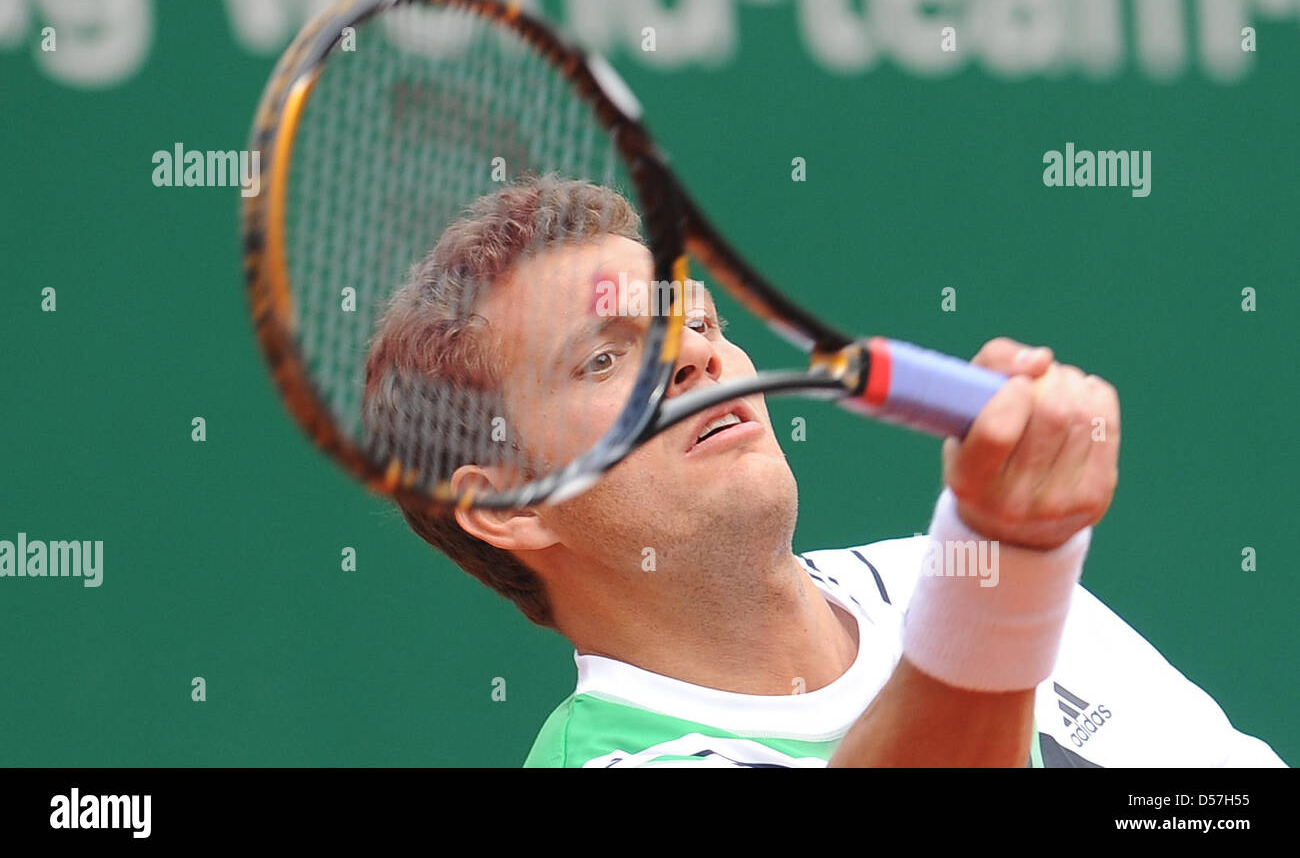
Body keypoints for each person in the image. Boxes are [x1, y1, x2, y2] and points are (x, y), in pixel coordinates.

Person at [363, 176, 1284, 767]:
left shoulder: (957, 581)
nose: (693, 353)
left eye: (699, 320)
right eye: (604, 360)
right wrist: (1009, 558)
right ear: (513, 508)